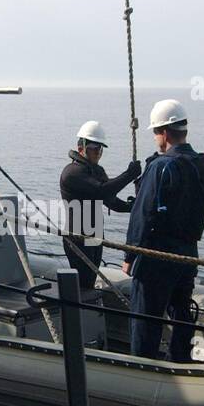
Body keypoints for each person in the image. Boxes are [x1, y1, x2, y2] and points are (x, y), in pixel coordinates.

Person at [123, 100, 204, 361]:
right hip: (187, 256)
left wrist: (129, 256)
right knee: (182, 314)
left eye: (154, 132)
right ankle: (181, 362)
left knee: (145, 319)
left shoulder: (161, 167)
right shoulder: (203, 165)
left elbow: (143, 214)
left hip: (156, 256)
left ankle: (142, 367)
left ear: (164, 132)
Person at [58, 121, 140, 288]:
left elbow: (109, 199)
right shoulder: (72, 173)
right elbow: (101, 190)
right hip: (78, 238)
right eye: (94, 148)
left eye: (100, 149)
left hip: (95, 234)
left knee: (90, 278)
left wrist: (132, 207)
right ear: (82, 147)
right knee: (84, 282)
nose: (98, 153)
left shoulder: (96, 171)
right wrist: (129, 175)